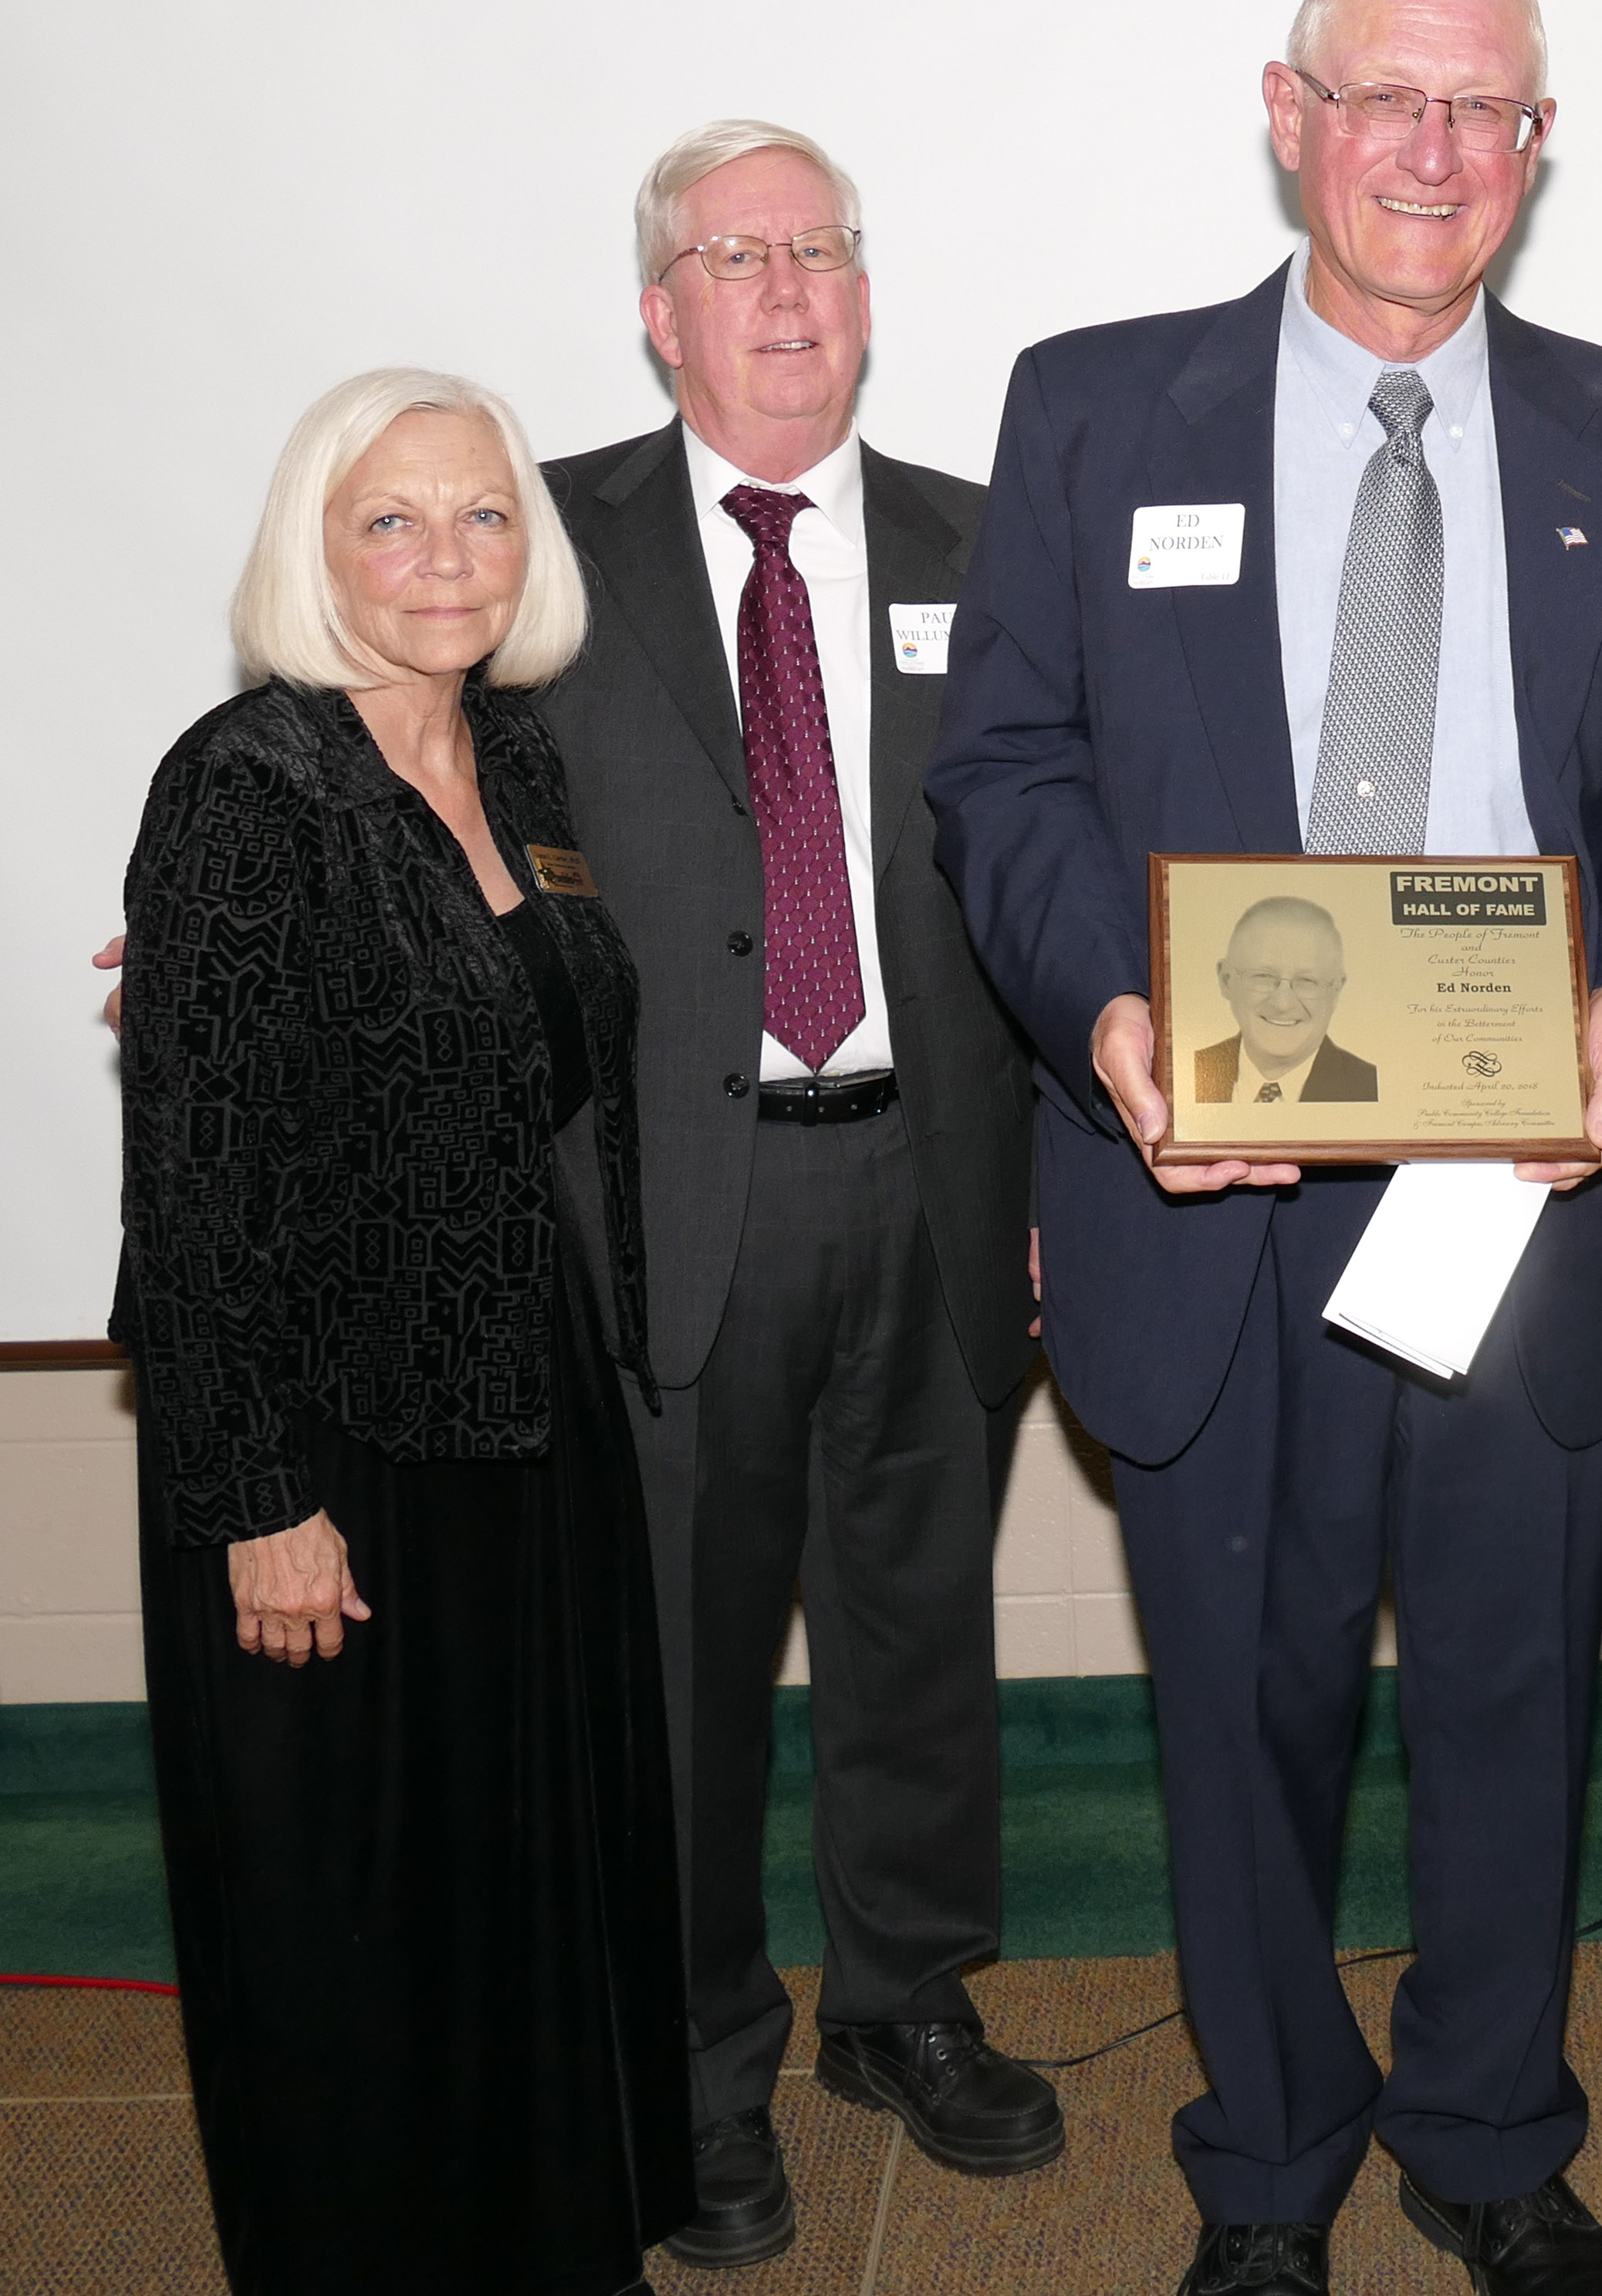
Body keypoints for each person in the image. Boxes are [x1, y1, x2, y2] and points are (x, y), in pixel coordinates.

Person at [927, 0, 1602, 2296]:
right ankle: (1267, 2164)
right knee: (1242, 1714)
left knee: (1506, 1693)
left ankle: (1489, 2128)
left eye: (1483, 108)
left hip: (1514, 1185)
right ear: (1289, 116)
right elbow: (1006, 774)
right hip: (1215, 1175)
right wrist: (1105, 1026)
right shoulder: (1091, 409)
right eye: (1387, 94)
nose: (1431, 149)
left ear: (1537, 150)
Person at [115, 370, 690, 2296]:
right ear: (315, 544)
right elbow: (191, 1191)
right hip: (331, 1436)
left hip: (522, 1397)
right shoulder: (244, 785)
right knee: (355, 1913)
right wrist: (258, 1499)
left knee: (513, 1882)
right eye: (393, 519)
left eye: (484, 516)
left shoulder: (505, 761)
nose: (446, 557)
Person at [539, 120, 1054, 2262]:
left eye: (820, 249)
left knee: (917, 1629)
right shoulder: (542, 546)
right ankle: (691, 2064)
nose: (786, 289)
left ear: (863, 288)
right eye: (733, 256)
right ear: (660, 310)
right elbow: (398, 763)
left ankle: (904, 2000)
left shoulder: (983, 540)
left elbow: (1060, 863)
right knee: (675, 1664)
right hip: (667, 1205)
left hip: (934, 1184)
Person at [1195, 897, 1377, 1102]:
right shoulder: (1186, 1073)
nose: (1283, 1004)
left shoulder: (1369, 1089)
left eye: (1307, 981)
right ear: (1226, 980)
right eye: (1263, 976)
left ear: (1335, 991)